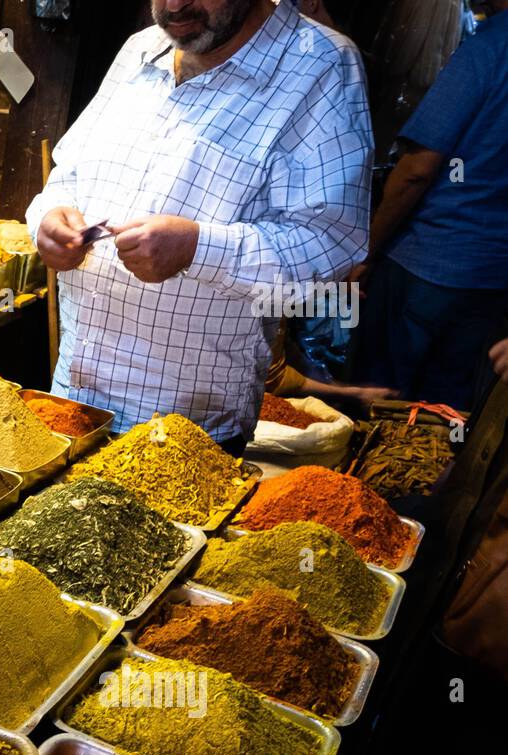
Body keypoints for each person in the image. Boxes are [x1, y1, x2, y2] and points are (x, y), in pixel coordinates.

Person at [27, 0, 372, 454]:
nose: (173, 6)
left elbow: (331, 245)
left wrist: (197, 249)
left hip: (187, 437)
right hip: (73, 403)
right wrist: (48, 220)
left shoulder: (320, 65)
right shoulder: (141, 50)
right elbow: (66, 177)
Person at [352, 0, 508, 412]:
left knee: (383, 403)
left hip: (430, 267)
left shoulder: (487, 49)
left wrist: (364, 251)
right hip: (493, 278)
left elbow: (417, 171)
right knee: (448, 412)